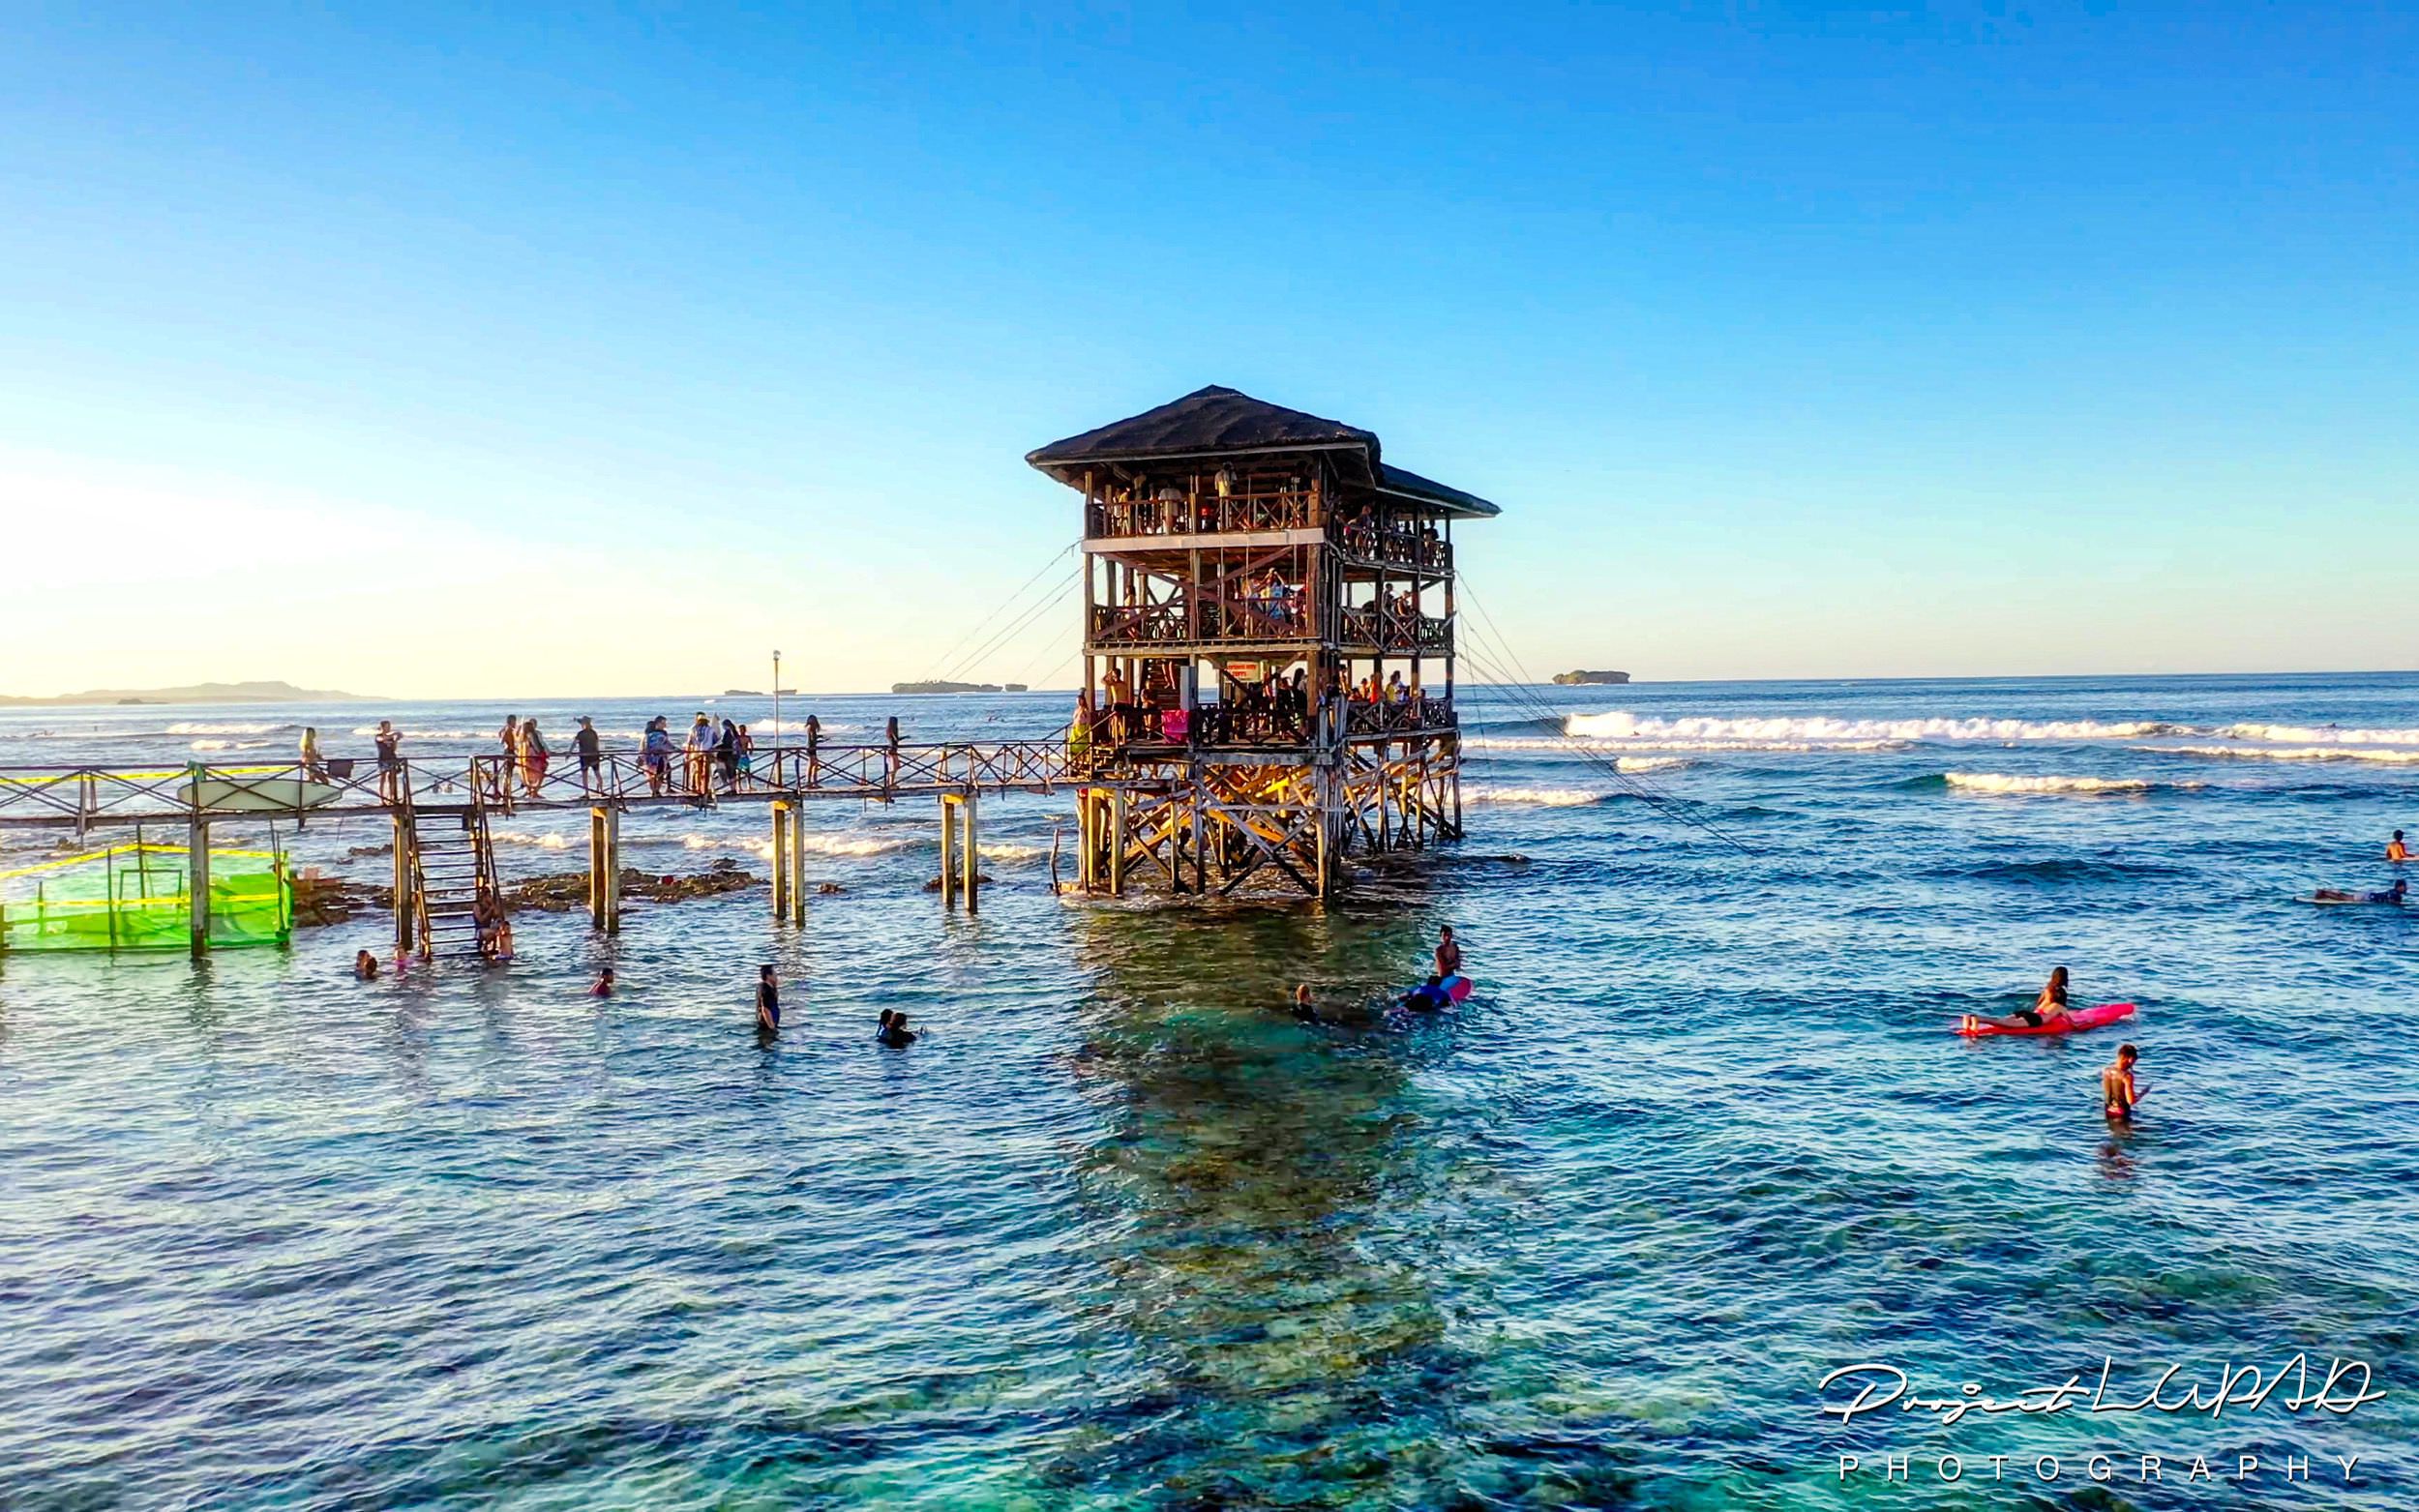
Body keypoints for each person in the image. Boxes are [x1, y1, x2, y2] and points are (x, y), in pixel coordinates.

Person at [1964, 966, 2074, 1032]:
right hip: (2035, 1020)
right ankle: (1977, 1018)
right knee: (2003, 1024)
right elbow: (2071, 1022)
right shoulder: (2060, 1007)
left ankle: (1969, 1019)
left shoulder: (2047, 990)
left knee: (2001, 1020)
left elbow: (2038, 1003)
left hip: (2028, 1014)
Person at [2102, 1043, 2144, 1122]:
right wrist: (2142, 1094)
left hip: (2108, 1110)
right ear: (2130, 1059)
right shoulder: (2127, 1076)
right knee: (2125, 1134)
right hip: (2122, 1113)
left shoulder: (2106, 1071)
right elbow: (2131, 1101)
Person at [685, 714, 716, 802]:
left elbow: (689, 742)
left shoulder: (692, 729)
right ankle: (704, 789)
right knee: (705, 772)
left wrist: (687, 753)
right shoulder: (710, 730)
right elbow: (715, 741)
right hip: (706, 752)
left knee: (697, 771)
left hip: (695, 753)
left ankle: (698, 788)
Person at [519, 717, 550, 797]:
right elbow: (537, 745)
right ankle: (534, 792)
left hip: (525, 757)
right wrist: (542, 752)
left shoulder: (522, 736)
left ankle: (530, 792)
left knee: (528, 775)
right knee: (541, 773)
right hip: (533, 757)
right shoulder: (531, 735)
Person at [373, 719, 403, 801]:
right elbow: (381, 739)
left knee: (392, 778)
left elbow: (393, 749)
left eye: (389, 726)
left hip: (391, 758)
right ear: (382, 727)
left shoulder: (391, 737)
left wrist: (396, 740)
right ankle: (381, 798)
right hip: (383, 759)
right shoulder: (379, 736)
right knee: (383, 778)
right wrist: (394, 733)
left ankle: (391, 797)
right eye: (387, 726)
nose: (388, 728)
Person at [2313, 879, 2408, 904]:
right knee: (2344, 899)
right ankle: (2324, 893)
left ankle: (2326, 892)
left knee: (2345, 896)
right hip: (2366, 897)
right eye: (2404, 886)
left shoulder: (2393, 892)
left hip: (2367, 895)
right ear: (2399, 887)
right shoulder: (2395, 894)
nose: (2406, 888)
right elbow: (2392, 902)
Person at [574, 717, 603, 792]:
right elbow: (597, 744)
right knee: (597, 773)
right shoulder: (593, 732)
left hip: (584, 756)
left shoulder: (580, 734)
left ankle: (586, 793)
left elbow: (574, 744)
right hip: (594, 755)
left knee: (585, 775)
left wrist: (569, 753)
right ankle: (601, 790)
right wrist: (598, 753)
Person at [755, 964, 781, 1033]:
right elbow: (765, 1009)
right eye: (775, 974)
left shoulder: (764, 987)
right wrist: (772, 1028)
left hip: (766, 1023)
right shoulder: (766, 990)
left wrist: (775, 986)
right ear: (768, 976)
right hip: (767, 1026)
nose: (777, 976)